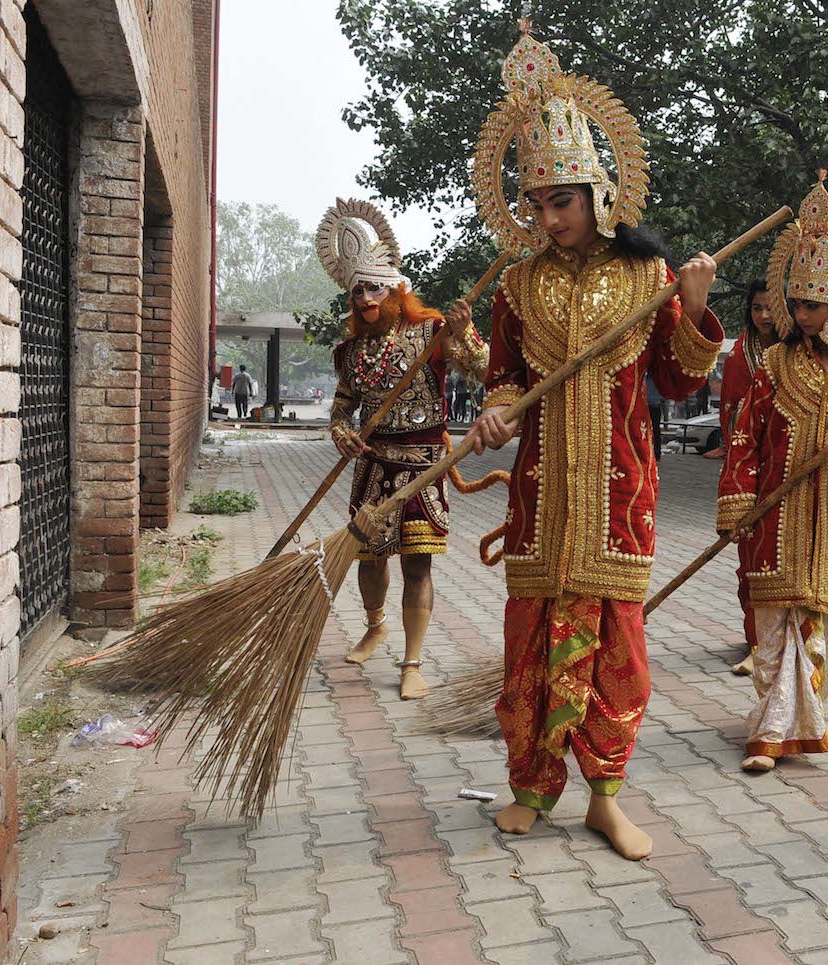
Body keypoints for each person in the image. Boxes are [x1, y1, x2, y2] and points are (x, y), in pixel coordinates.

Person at [468, 24, 723, 860]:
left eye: (561, 202)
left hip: (621, 496)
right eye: (535, 205)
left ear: (597, 193)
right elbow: (502, 376)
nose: (547, 220)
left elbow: (682, 382)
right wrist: (497, 410)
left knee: (619, 653)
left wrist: (691, 306)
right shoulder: (517, 285)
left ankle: (605, 796)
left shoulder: (647, 279)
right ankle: (531, 789)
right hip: (543, 500)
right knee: (530, 644)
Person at [718, 173, 828, 775]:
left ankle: (797, 721)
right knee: (772, 622)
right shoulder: (773, 363)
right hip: (775, 514)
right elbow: (744, 436)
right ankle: (773, 724)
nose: (798, 314)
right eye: (794, 303)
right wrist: (738, 502)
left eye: (811, 304)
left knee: (816, 623)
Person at [320, 197, 492, 701]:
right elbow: (340, 408)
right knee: (369, 559)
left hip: (422, 466)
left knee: (418, 562)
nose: (366, 299)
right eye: (357, 292)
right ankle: (375, 626)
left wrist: (463, 335)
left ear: (397, 288)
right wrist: (339, 432)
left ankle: (412, 662)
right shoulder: (351, 352)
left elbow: (480, 369)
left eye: (374, 287)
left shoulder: (432, 332)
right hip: (373, 467)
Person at [722, 280, 779, 677]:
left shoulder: (795, 350)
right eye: (757, 308)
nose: (763, 317)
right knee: (749, 558)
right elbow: (731, 410)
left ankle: (779, 643)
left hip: (784, 465)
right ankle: (756, 640)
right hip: (747, 464)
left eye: (770, 308)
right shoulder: (741, 352)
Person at [646, 373, 664, 463]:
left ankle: (657, 452)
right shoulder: (645, 378)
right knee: (645, 430)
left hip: (655, 406)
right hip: (646, 406)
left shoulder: (657, 379)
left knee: (656, 430)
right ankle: (647, 451)